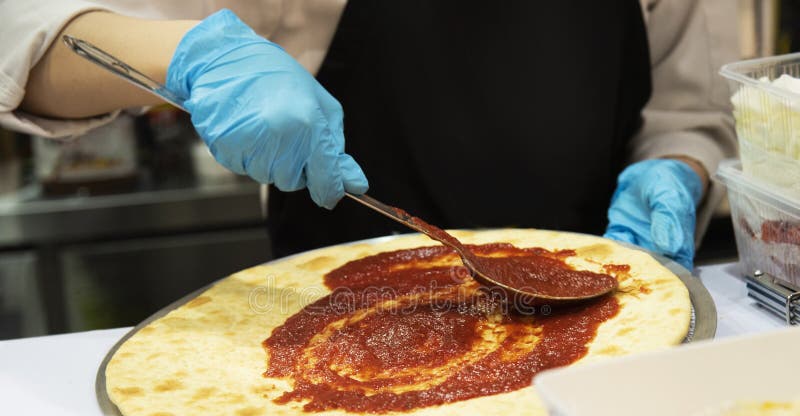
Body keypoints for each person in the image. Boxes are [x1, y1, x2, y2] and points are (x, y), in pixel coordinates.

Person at [0, 1, 738, 268]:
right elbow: (26, 34)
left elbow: (688, 109)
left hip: (596, 328)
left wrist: (680, 167)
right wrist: (186, 60)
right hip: (342, 332)